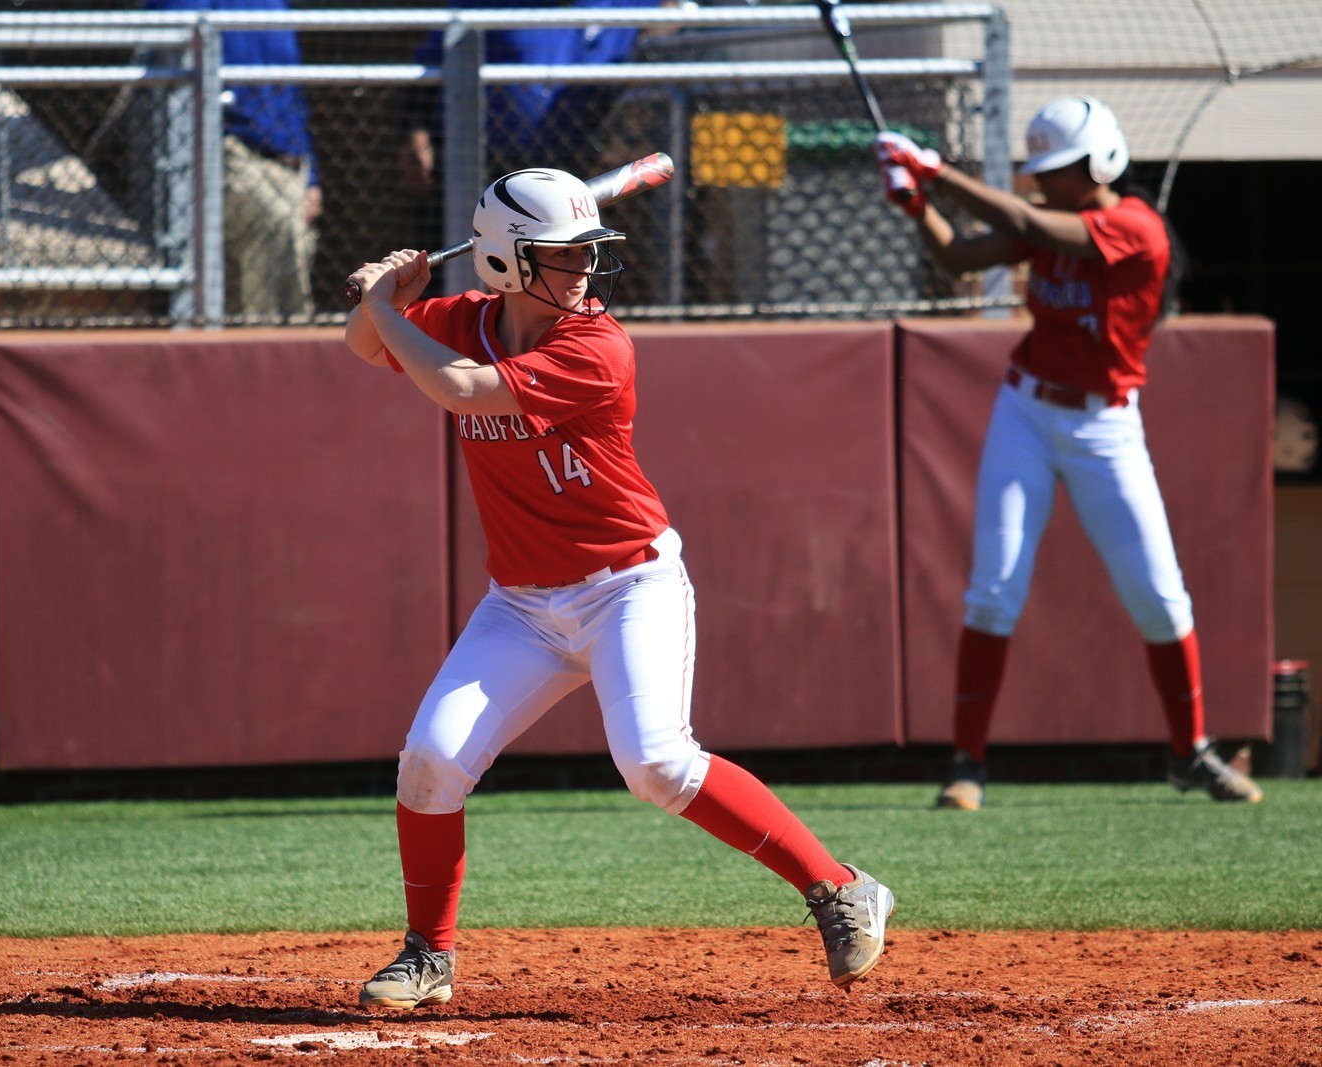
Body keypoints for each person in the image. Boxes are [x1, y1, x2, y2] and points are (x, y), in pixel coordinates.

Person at [344, 167, 894, 1010]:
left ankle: (839, 885)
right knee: (427, 763)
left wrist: (385, 308)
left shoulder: (597, 343)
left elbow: (458, 388)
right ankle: (429, 954)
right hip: (523, 605)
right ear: (504, 263)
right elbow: (365, 347)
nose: (582, 272)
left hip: (627, 586)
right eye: (562, 256)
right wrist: (379, 300)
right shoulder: (463, 321)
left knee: (657, 764)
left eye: (584, 253)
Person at [873, 97, 1263, 809]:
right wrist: (914, 203)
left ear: (1102, 163)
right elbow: (961, 254)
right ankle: (967, 765)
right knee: (995, 586)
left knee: (1157, 593)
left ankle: (1191, 752)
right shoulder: (1056, 220)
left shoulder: (1134, 227)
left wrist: (936, 172)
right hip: (1024, 410)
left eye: (1060, 170)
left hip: (1106, 425)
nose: (1046, 181)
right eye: (1043, 171)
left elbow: (1024, 221)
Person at [400, 0, 683, 250]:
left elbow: (671, 15)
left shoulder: (619, 5)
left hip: (569, 164)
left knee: (556, 267)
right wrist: (415, 134)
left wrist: (664, 27)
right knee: (458, 260)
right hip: (479, 162)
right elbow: (430, 67)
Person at [146, 0, 321, 320]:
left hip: (289, 160)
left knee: (295, 249)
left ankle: (289, 355)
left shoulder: (276, 6)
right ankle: (265, 357)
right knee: (273, 224)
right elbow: (172, 40)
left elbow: (294, 95)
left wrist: (312, 178)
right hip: (224, 148)